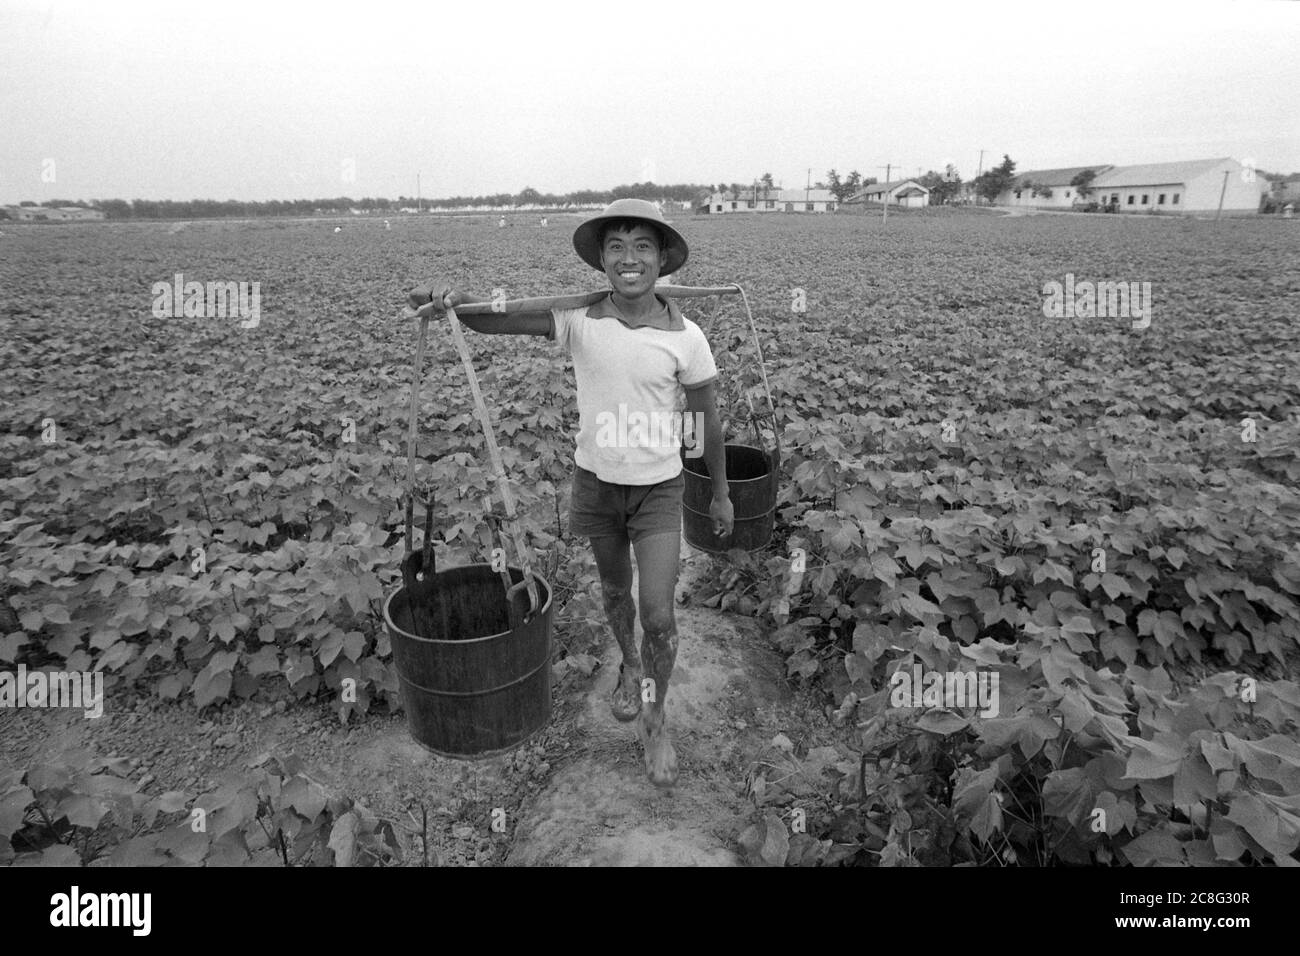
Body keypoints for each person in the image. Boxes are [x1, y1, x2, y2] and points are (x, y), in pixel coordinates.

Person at [417, 198, 733, 788]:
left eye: (643, 246)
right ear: (602, 260)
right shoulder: (578, 319)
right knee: (615, 595)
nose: (629, 258)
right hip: (596, 486)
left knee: (658, 614)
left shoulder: (688, 339)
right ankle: (628, 661)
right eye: (616, 246)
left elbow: (709, 421)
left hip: (659, 491)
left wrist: (718, 492)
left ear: (663, 258)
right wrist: (455, 304)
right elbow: (497, 320)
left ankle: (655, 715)